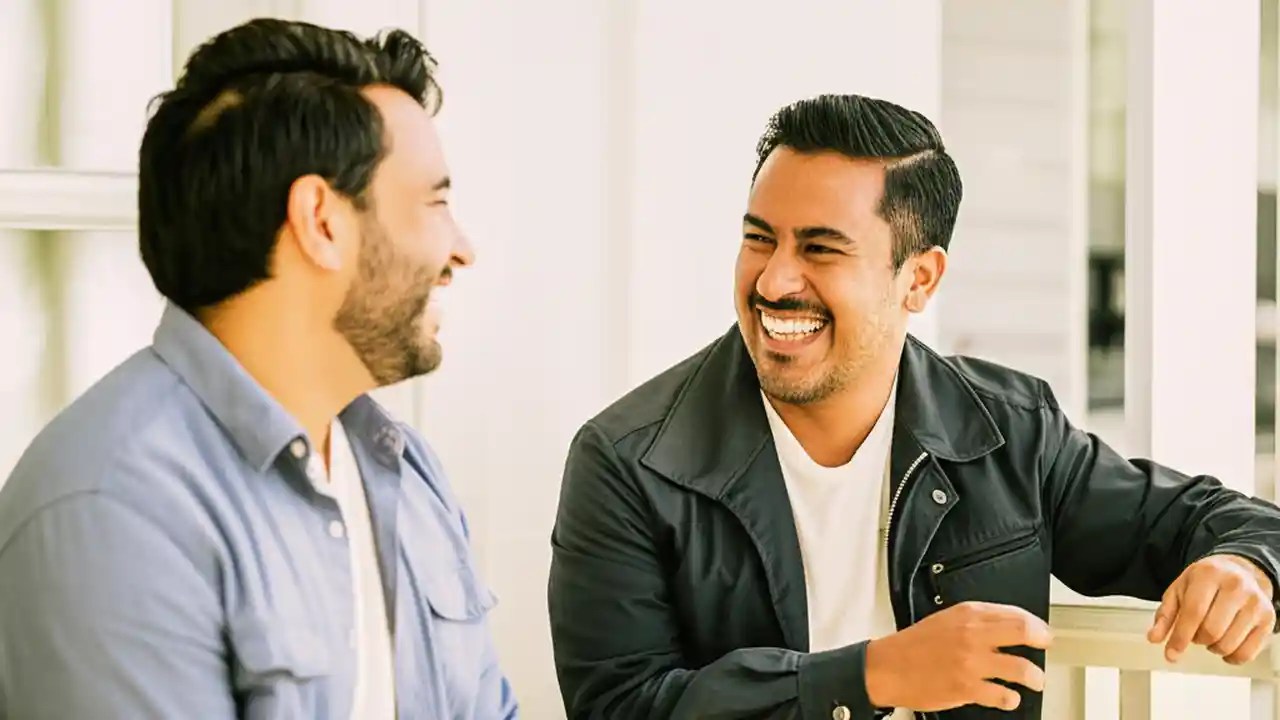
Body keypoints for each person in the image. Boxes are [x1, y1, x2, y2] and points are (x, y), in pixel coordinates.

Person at [547, 94, 1280, 719]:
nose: (773, 280)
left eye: (821, 250)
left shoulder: (1008, 431)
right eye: (758, 239)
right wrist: (870, 676)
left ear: (919, 280)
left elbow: (1221, 522)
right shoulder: (626, 461)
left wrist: (1246, 566)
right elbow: (620, 705)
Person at [0, 18, 516, 720]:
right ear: (321, 222)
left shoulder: (405, 470)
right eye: (436, 202)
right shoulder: (110, 506)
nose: (462, 249)